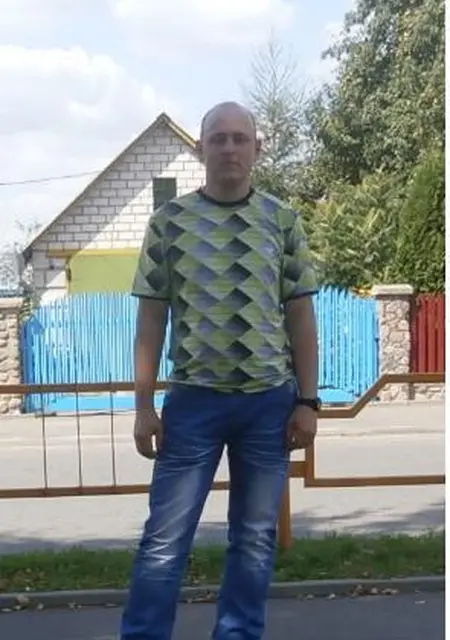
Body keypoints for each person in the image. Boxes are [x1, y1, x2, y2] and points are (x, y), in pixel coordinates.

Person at [120, 101, 320, 640]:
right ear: (200, 148)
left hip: (268, 405)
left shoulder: (283, 221)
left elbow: (301, 316)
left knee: (254, 541)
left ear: (257, 148)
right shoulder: (168, 224)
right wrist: (142, 407)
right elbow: (150, 320)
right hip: (192, 404)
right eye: (218, 139)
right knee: (164, 541)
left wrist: (308, 401)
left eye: (239, 138)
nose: (229, 148)